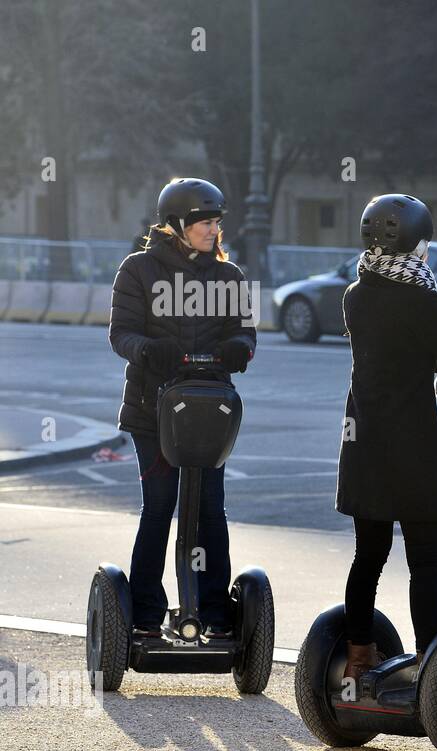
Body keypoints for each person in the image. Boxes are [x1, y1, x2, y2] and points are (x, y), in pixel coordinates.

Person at [336, 194, 437, 682]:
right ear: (418, 245)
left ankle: (359, 655)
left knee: (368, 557)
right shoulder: (422, 297)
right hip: (412, 447)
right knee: (425, 562)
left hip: (363, 445)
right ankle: (432, 661)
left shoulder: (356, 294)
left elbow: (402, 350)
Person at [108, 178, 256, 638]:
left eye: (216, 222)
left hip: (209, 411)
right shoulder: (138, 270)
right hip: (152, 410)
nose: (214, 230)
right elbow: (121, 335)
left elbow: (246, 334)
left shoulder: (229, 276)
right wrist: (151, 350)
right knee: (159, 504)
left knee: (211, 509)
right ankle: (147, 614)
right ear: (177, 225)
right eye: (204, 223)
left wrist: (237, 348)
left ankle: (215, 613)